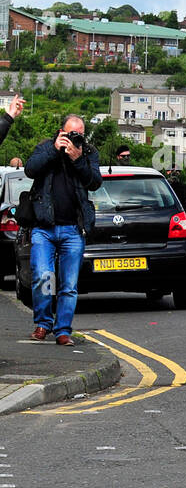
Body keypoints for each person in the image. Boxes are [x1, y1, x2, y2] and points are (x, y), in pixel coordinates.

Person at [24, 114, 103, 345]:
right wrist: (53, 151)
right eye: (70, 134)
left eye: (79, 134)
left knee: (68, 284)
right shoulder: (46, 147)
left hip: (73, 229)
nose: (74, 138)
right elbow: (30, 170)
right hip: (44, 227)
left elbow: (95, 182)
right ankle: (43, 324)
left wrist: (78, 160)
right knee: (42, 276)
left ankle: (63, 331)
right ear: (61, 132)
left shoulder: (88, 153)